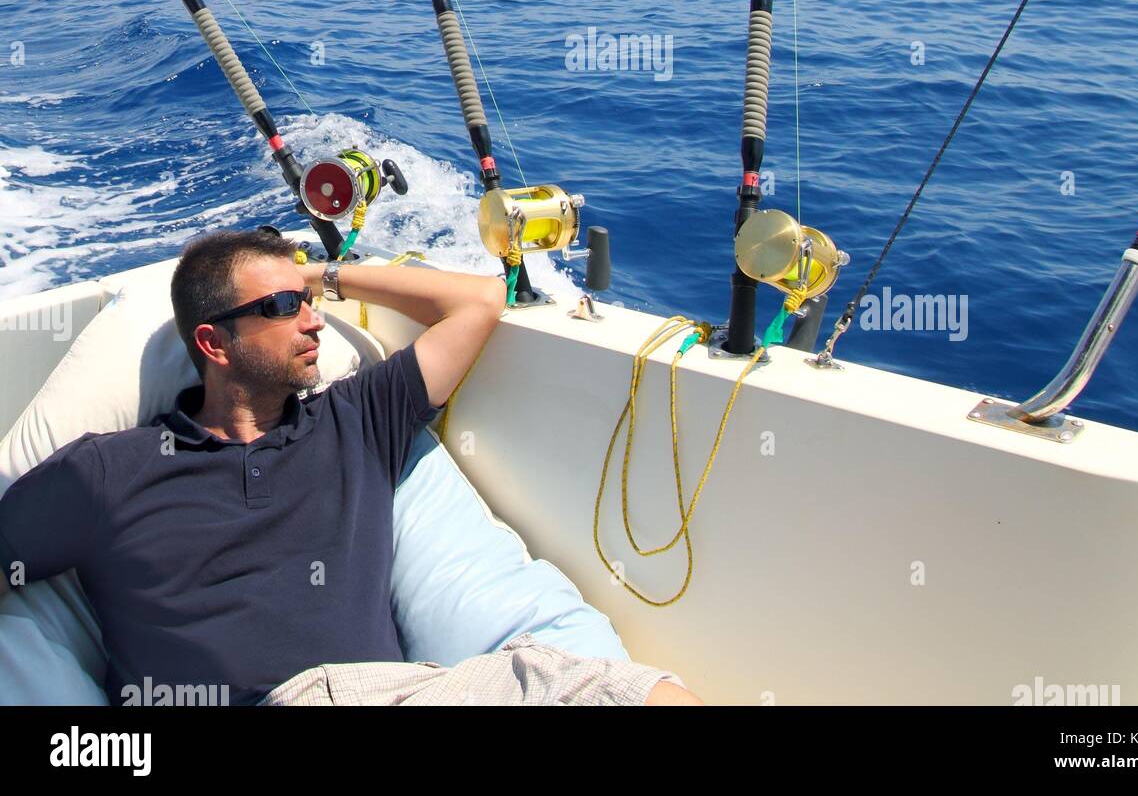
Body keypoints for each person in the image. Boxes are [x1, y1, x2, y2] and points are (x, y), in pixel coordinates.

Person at [0, 228, 701, 707]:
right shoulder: (108, 471)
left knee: (616, 689)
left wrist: (312, 274)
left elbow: (477, 301)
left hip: (389, 692)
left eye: (308, 302)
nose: (312, 319)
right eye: (282, 307)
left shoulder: (356, 419)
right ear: (213, 343)